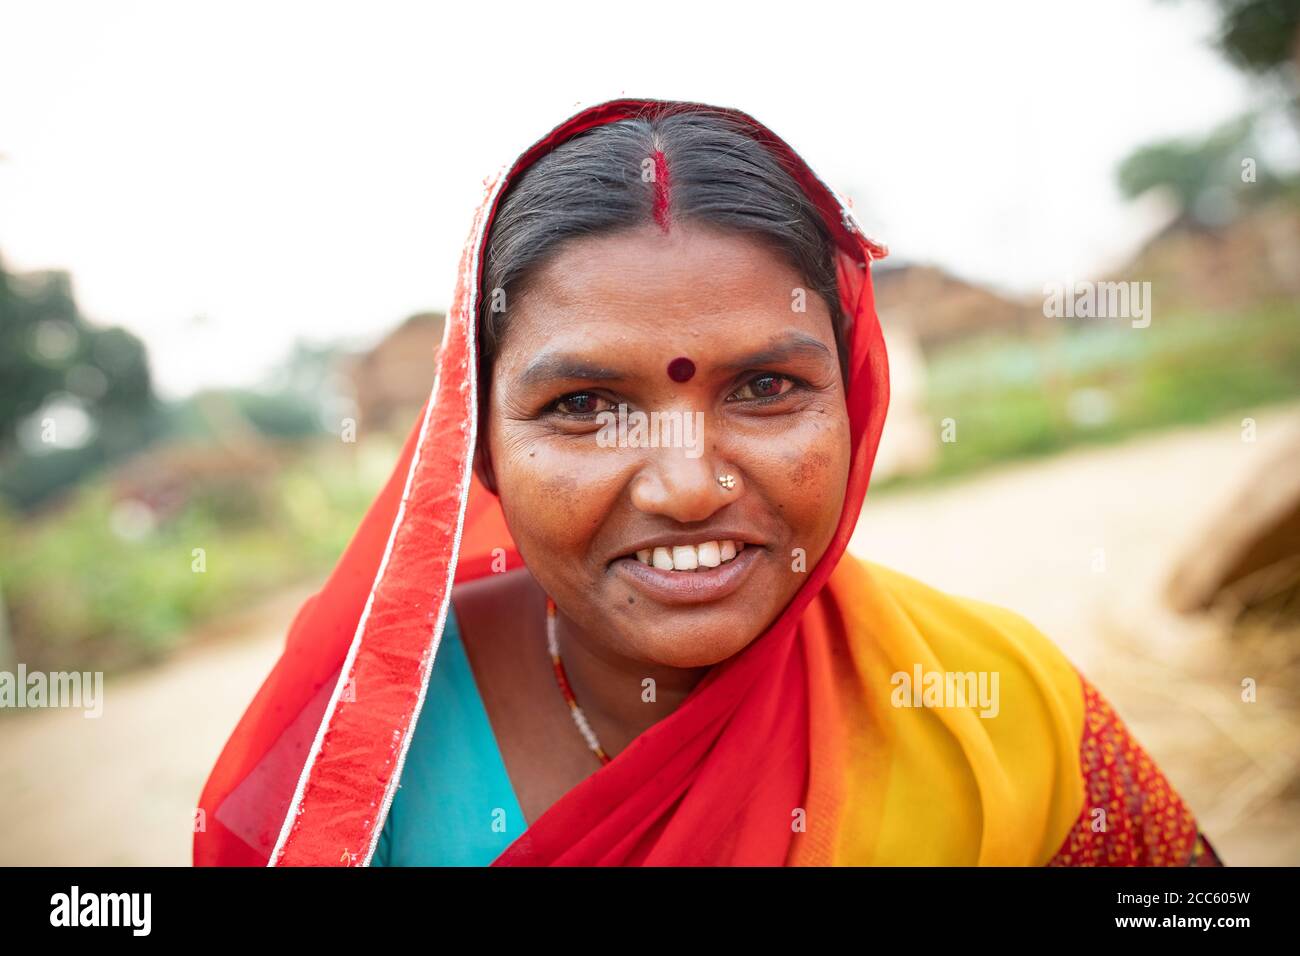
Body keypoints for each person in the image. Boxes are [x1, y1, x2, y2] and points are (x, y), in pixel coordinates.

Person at [194, 98, 1222, 867]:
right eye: (586, 405)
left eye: (767, 386)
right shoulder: (353, 755)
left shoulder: (994, 701)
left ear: (852, 403)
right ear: (478, 447)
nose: (687, 487)